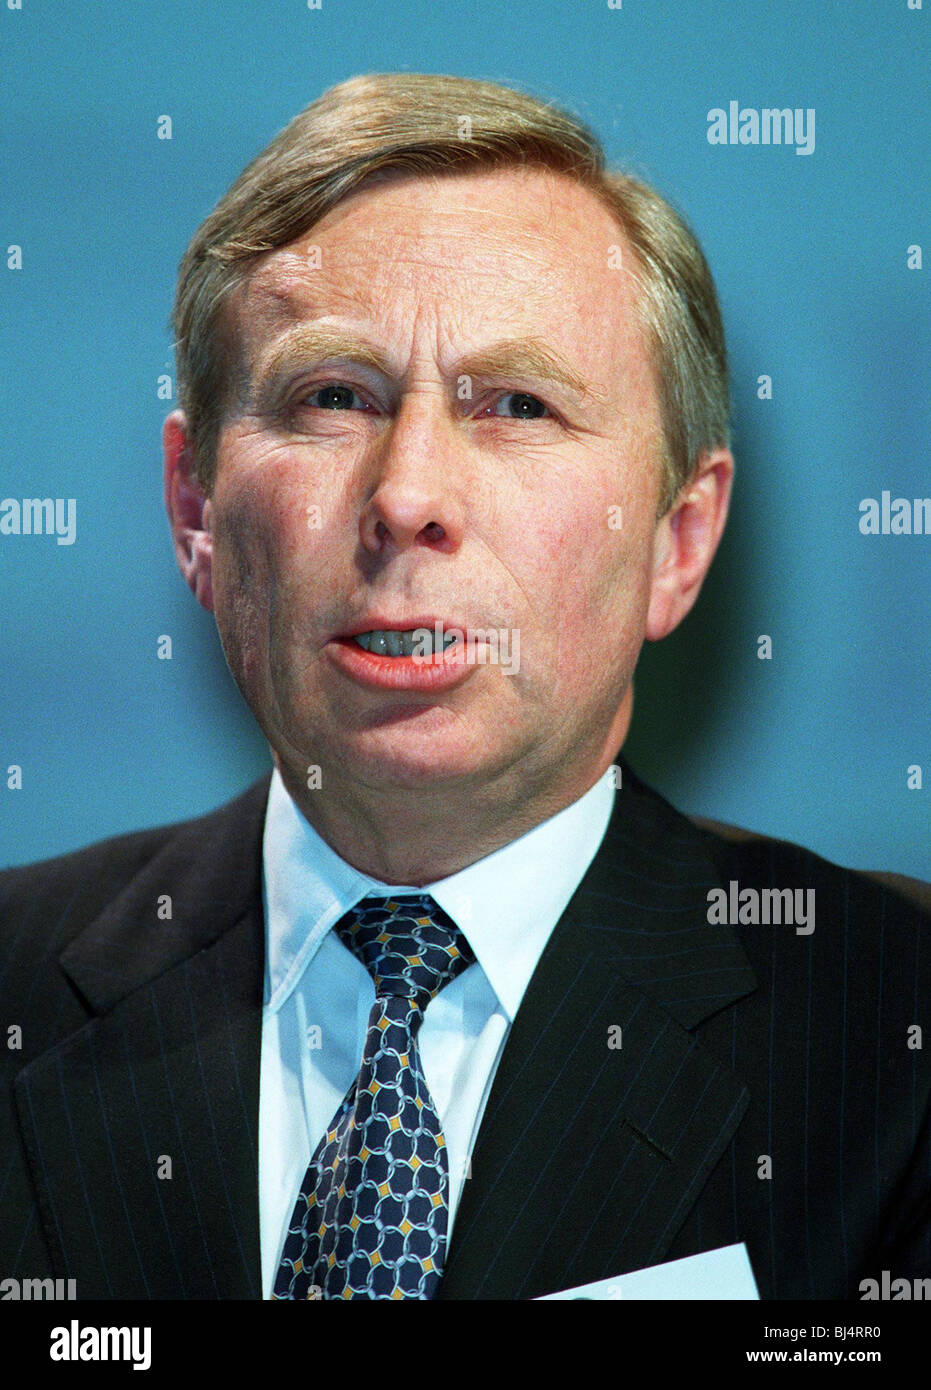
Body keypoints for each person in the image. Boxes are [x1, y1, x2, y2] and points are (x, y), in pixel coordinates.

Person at [1, 72, 928, 1302]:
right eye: (334, 397)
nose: (405, 495)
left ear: (677, 541)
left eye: (517, 406)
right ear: (195, 513)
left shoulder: (892, 1031)